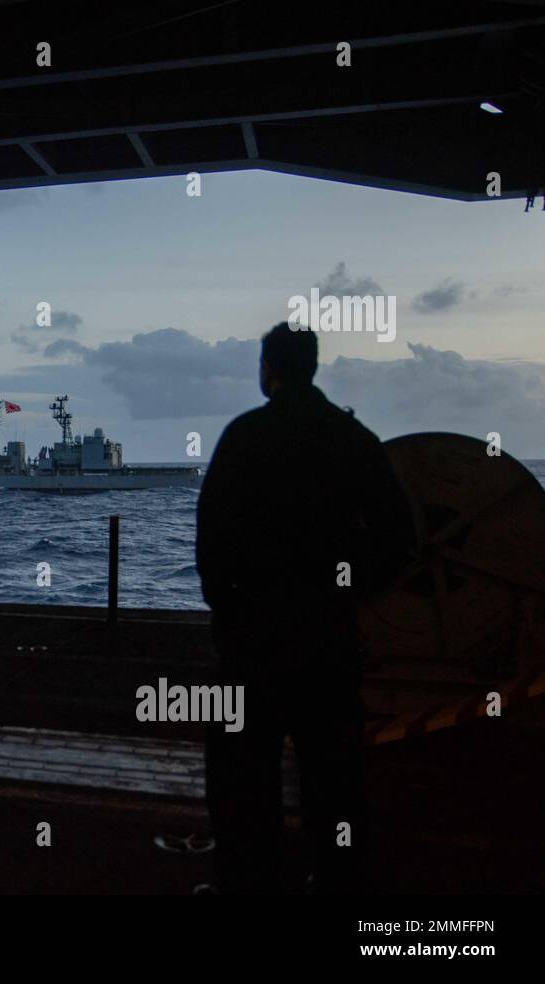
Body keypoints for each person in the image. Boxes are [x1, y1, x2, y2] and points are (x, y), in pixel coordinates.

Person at [196, 322, 413, 893]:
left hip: (251, 646)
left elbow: (211, 544)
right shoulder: (352, 438)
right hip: (327, 644)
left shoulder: (243, 437)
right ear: (312, 368)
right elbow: (398, 539)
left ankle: (248, 882)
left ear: (267, 370)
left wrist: (233, 612)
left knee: (242, 783)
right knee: (334, 780)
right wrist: (348, 591)